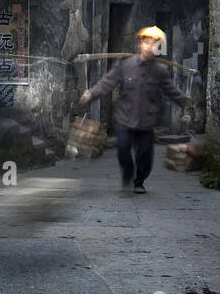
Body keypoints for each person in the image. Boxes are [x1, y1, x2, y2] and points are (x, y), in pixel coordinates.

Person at [78, 25, 190, 194]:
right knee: (123, 149)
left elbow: (171, 90)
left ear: (157, 47)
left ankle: (139, 180)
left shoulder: (160, 71)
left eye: (154, 44)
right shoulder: (125, 65)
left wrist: (185, 101)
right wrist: (90, 94)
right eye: (146, 43)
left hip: (146, 120)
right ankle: (127, 174)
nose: (149, 47)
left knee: (145, 156)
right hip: (124, 117)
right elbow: (106, 83)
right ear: (141, 44)